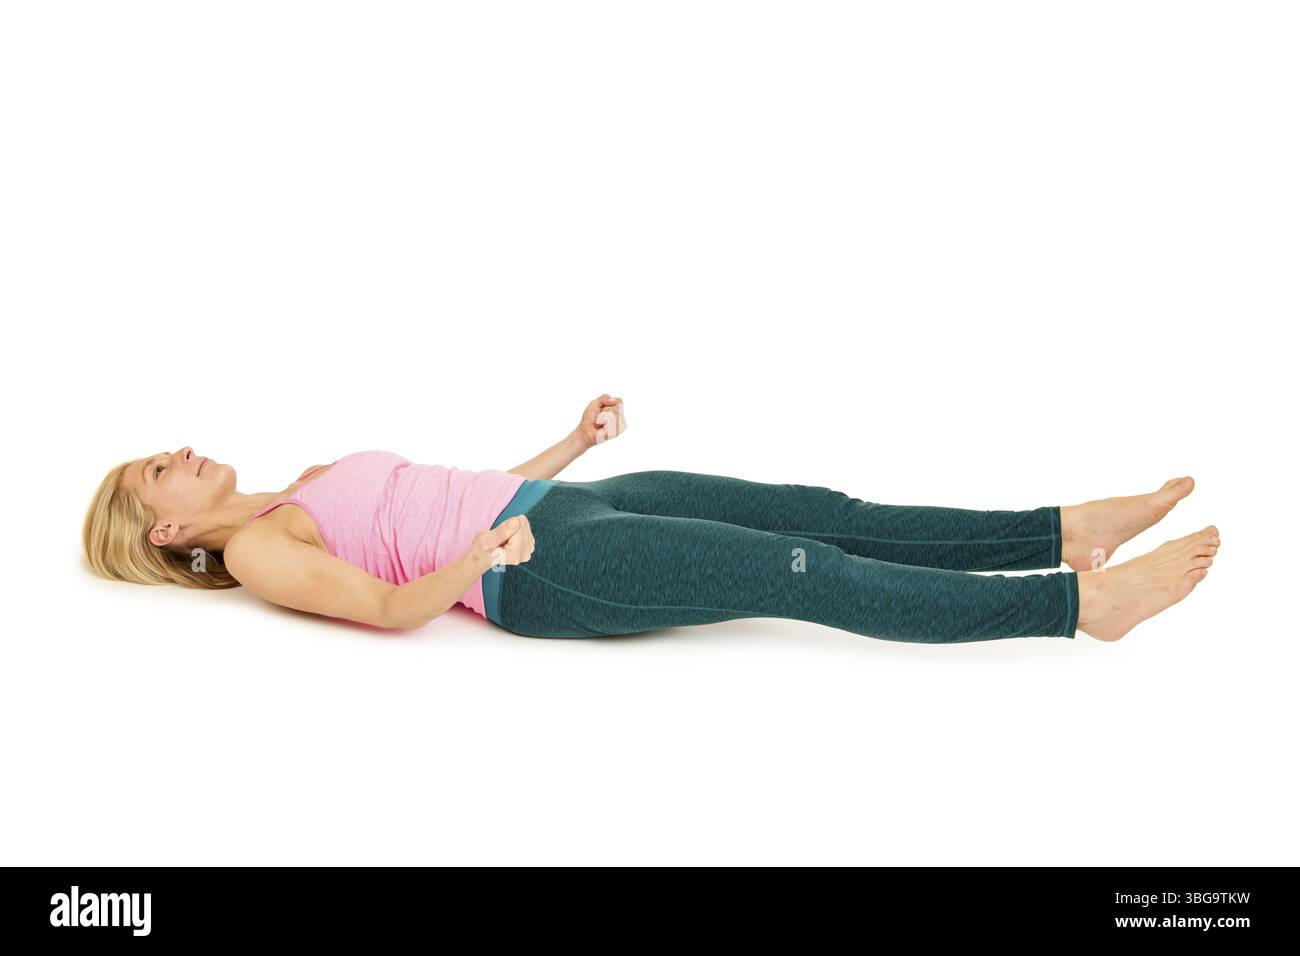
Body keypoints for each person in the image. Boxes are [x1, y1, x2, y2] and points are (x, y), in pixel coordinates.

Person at [82, 394, 1218, 644]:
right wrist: (481, 557)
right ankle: (1081, 604)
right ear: (169, 534)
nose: (175, 452)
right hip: (544, 568)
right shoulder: (261, 546)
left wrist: (569, 445)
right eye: (153, 473)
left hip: (563, 503)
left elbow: (457, 484)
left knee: (820, 509)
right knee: (800, 567)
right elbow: (386, 604)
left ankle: (1059, 529)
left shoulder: (307, 473)